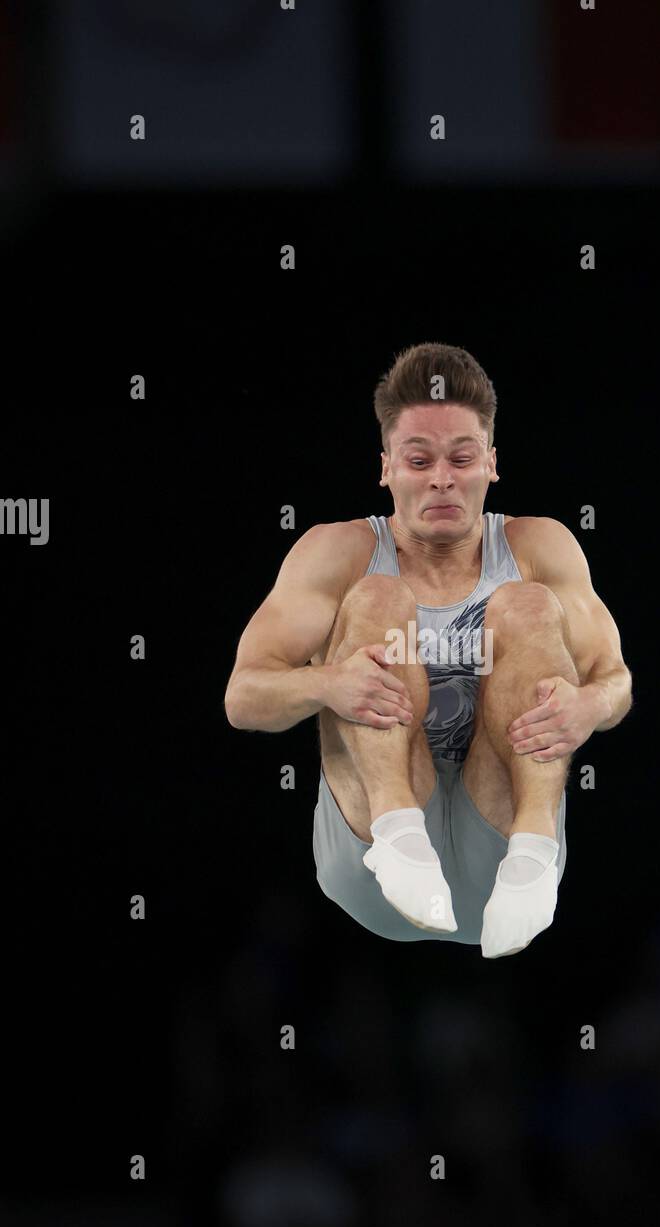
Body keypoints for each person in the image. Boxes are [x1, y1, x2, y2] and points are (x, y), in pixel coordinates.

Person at [225, 343, 632, 957]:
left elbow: (616, 680)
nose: (442, 476)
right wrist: (327, 683)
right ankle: (400, 834)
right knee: (377, 598)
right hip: (372, 855)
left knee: (526, 605)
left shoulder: (538, 546)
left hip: (498, 839)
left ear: (491, 463)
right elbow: (242, 696)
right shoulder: (335, 552)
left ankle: (532, 854)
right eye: (419, 460)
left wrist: (588, 707)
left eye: (461, 457)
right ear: (385, 466)